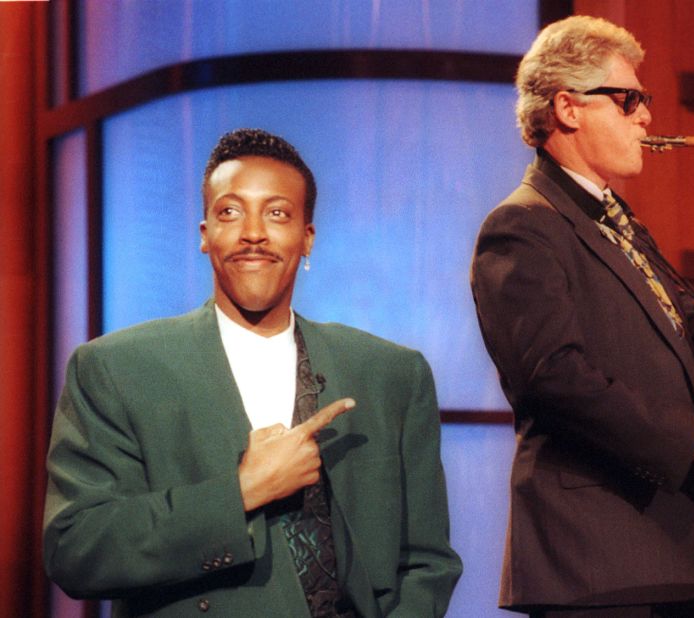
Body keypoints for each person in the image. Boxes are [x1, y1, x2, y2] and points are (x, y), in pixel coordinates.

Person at [470, 16, 694, 617]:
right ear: (568, 108)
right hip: (598, 566)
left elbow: (689, 359)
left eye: (643, 101)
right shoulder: (521, 227)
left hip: (673, 559)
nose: (646, 116)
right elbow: (555, 380)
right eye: (629, 100)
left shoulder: (618, 223)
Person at [44, 128, 462, 617]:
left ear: (307, 238)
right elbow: (75, 549)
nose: (254, 233)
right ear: (205, 235)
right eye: (230, 211)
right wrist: (240, 493)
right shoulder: (117, 368)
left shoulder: (391, 374)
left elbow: (426, 563)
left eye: (278, 213)